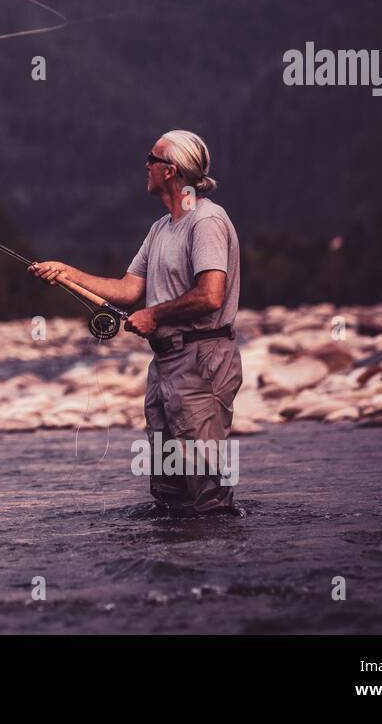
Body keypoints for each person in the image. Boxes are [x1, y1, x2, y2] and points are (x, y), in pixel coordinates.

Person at [28, 129, 242, 517]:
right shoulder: (160, 229)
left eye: (152, 159)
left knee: (205, 485)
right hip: (165, 365)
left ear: (171, 171)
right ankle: (176, 568)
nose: (145, 165)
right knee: (168, 486)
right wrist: (67, 272)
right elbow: (127, 291)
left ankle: (219, 568)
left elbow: (211, 295)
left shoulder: (207, 220)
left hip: (203, 361)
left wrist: (155, 314)